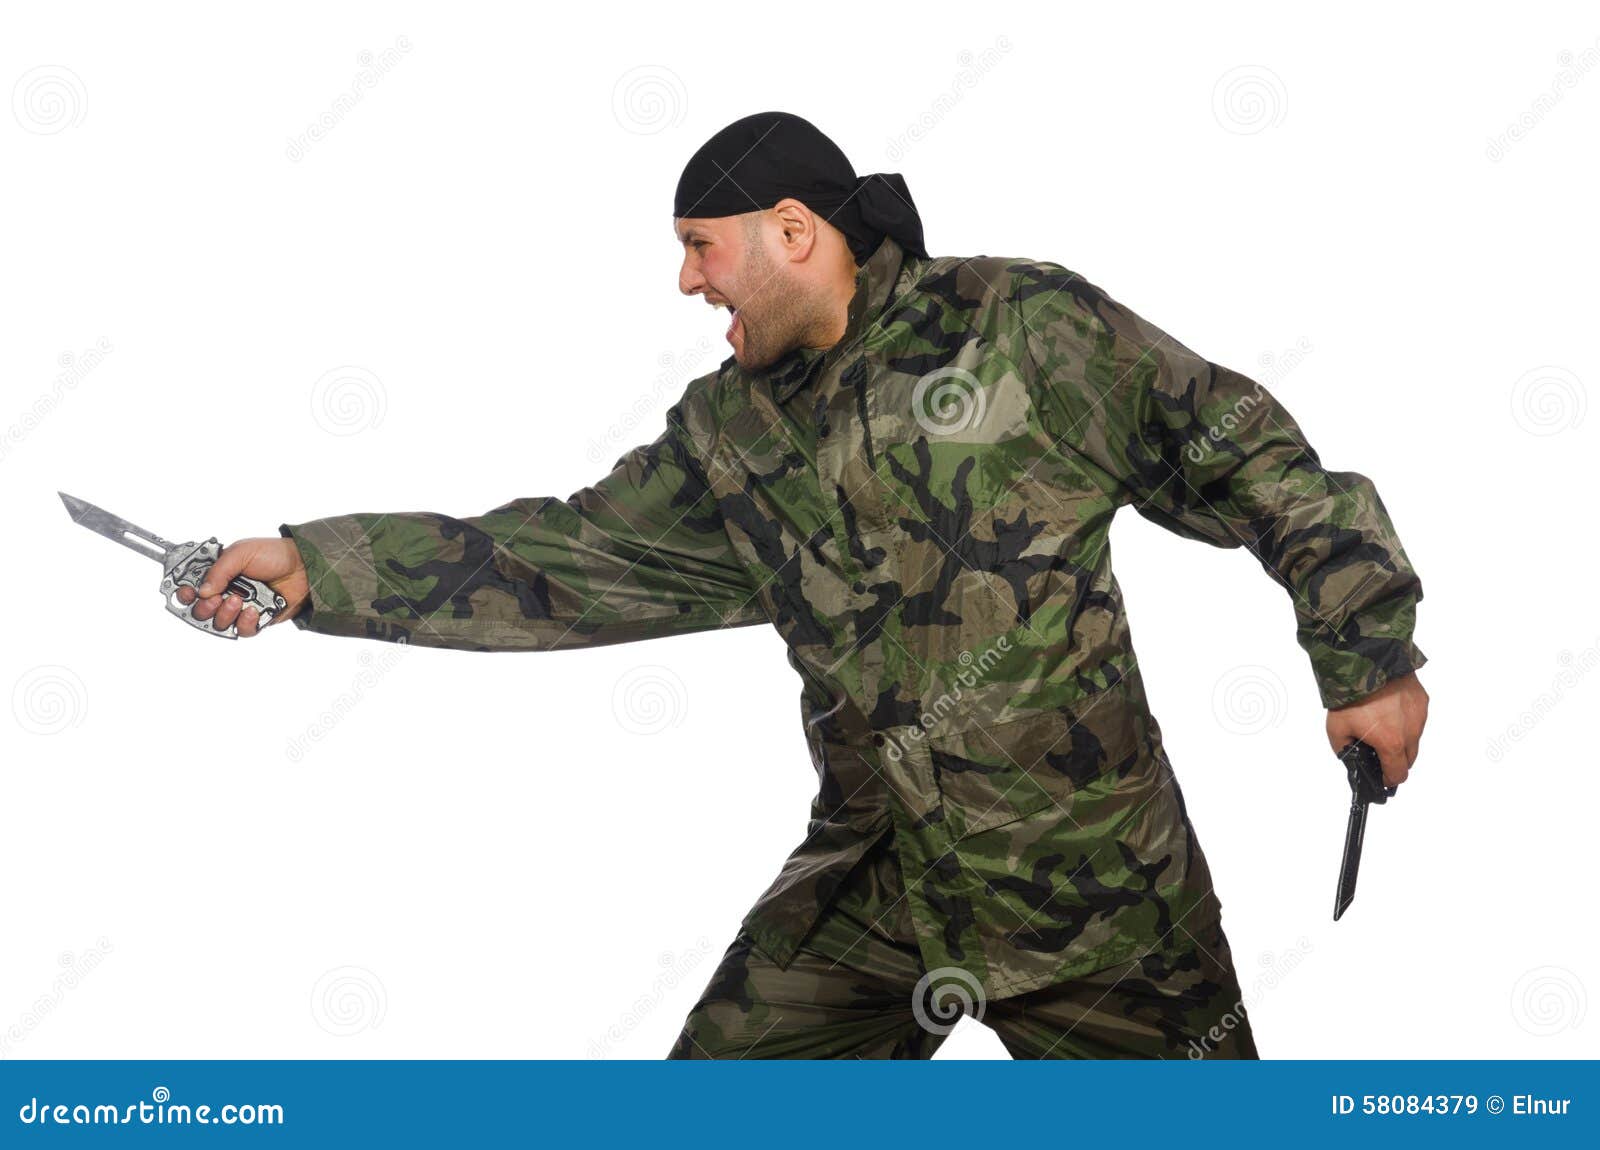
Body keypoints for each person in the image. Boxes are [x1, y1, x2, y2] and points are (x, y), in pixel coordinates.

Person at [178, 111, 1430, 1059]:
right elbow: (559, 557)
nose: (685, 282)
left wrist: (1366, 655)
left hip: (1097, 894)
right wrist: (315, 567)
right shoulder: (728, 435)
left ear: (793, 230)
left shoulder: (1020, 328)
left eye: (698, 247)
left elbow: (1241, 452)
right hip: (879, 882)